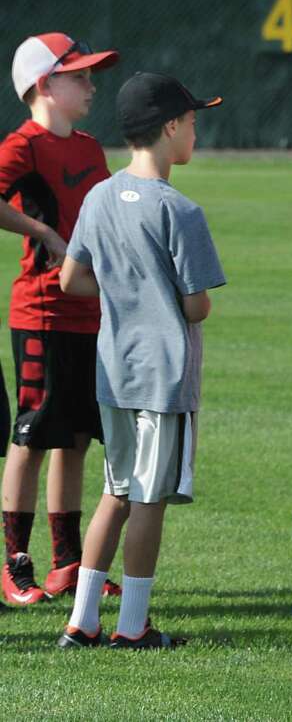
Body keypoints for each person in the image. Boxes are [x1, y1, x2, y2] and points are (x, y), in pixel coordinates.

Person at [57, 71, 226, 648]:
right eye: (194, 122)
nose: (196, 133)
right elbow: (196, 306)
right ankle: (131, 625)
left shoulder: (98, 195)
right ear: (170, 127)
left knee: (115, 491)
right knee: (150, 498)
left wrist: (124, 289)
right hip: (165, 374)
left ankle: (81, 620)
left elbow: (71, 278)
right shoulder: (180, 209)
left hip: (115, 370)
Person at [1, 32, 119, 606]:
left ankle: (67, 564)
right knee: (31, 435)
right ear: (45, 85)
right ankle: (14, 564)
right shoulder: (23, 144)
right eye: (79, 75)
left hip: (88, 311)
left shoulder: (92, 149)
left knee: (75, 438)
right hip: (42, 311)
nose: (90, 84)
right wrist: (43, 232)